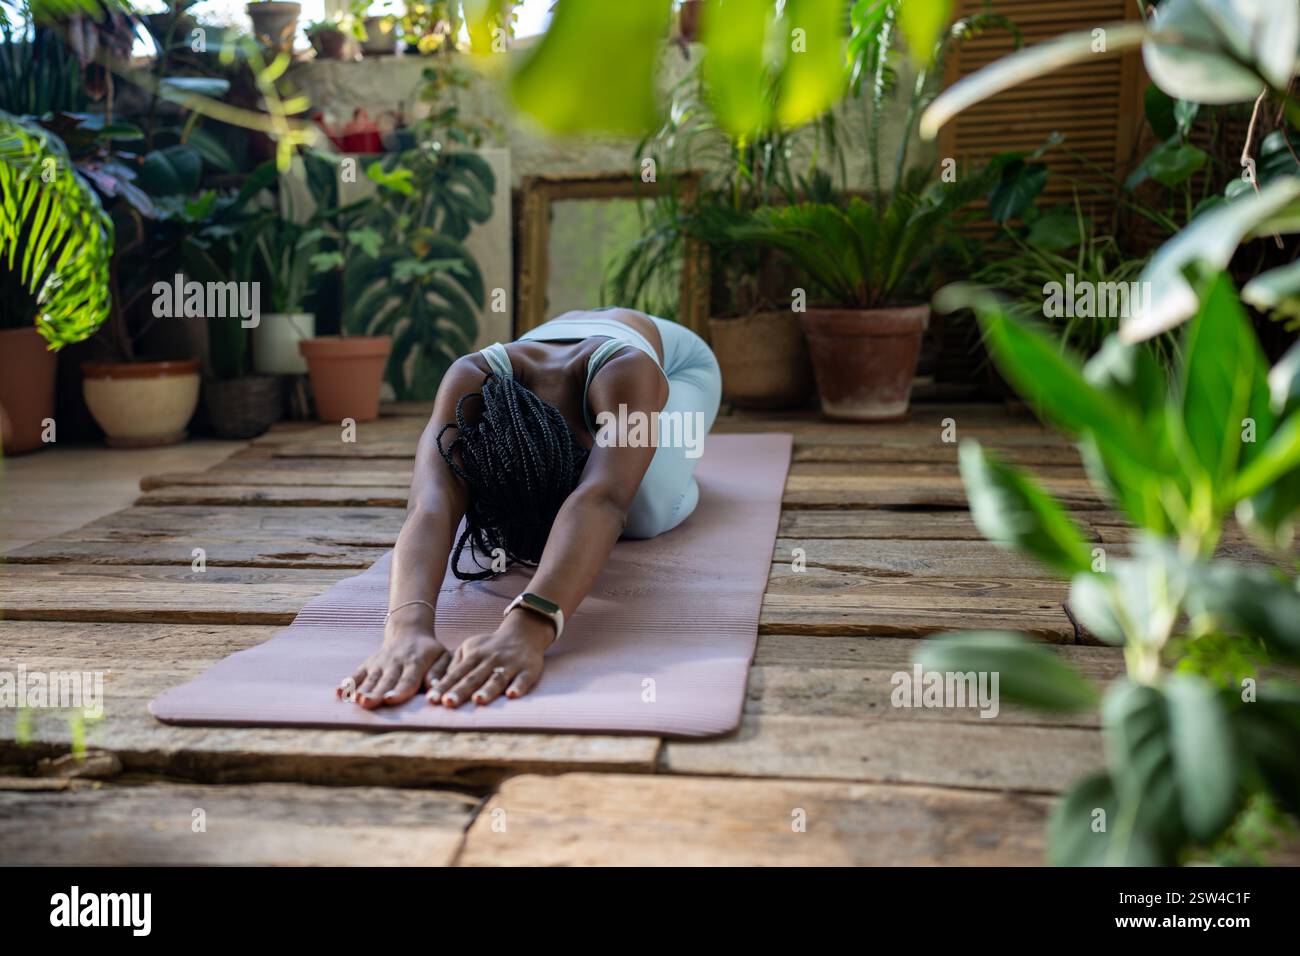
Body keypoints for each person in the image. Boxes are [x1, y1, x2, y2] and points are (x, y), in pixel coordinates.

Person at [338, 307, 721, 710]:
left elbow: (603, 499)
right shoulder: (470, 377)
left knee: (644, 507)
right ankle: (636, 452)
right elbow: (429, 504)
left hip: (680, 361)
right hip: (551, 339)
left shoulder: (627, 372)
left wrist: (528, 628)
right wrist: (405, 631)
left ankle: (660, 456)